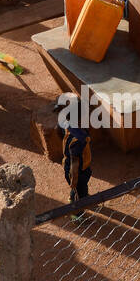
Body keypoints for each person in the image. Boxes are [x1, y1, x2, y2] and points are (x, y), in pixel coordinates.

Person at [55, 93, 94, 221]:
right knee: (79, 191)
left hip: (82, 167)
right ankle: (77, 215)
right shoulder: (78, 139)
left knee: (80, 189)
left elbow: (58, 129)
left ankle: (75, 195)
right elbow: (74, 162)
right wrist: (74, 180)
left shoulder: (67, 124)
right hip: (76, 171)